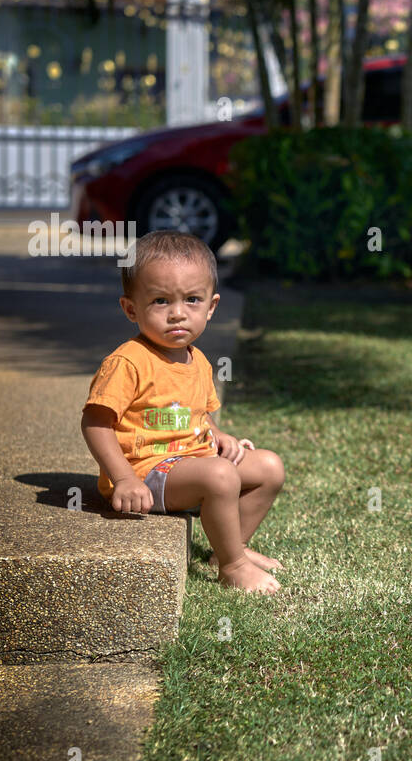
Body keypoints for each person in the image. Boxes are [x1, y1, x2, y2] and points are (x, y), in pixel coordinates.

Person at [81, 230, 284, 594]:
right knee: (220, 477)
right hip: (147, 472)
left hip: (191, 461)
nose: (178, 314)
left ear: (211, 306)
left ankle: (232, 545)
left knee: (269, 467)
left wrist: (219, 436)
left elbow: (199, 413)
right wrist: (124, 478)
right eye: (160, 301)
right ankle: (232, 565)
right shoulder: (129, 361)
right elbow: (95, 422)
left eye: (192, 299)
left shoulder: (198, 359)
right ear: (131, 309)